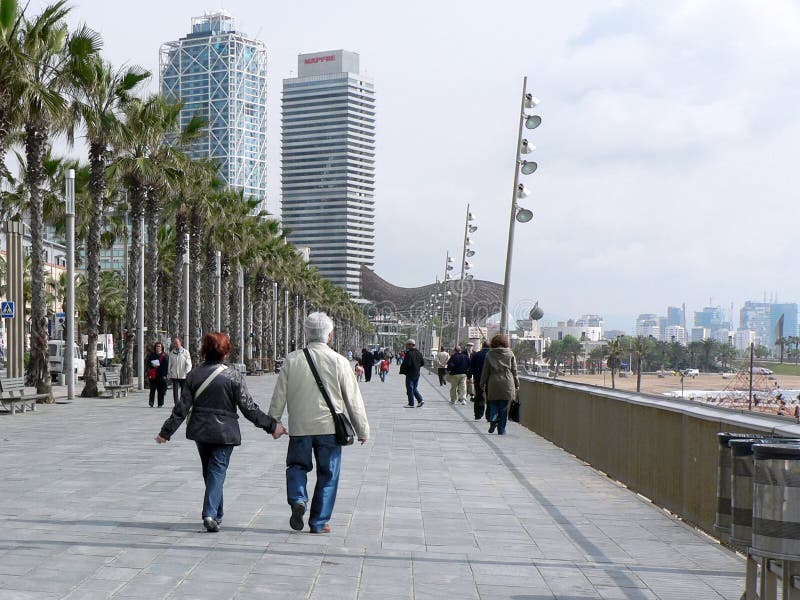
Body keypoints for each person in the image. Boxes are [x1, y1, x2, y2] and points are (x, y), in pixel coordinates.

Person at [155, 332, 285, 532]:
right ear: (226, 351)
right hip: (225, 433)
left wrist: (166, 432)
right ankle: (209, 514)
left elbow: (182, 408)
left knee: (211, 472)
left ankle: (217, 513)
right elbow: (248, 408)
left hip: (201, 431)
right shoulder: (233, 376)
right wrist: (272, 426)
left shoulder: (194, 375)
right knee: (216, 471)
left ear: (204, 351)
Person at [268, 312, 370, 534]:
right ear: (330, 335)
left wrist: (274, 422)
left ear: (306, 333)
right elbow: (353, 398)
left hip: (300, 427)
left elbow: (279, 395)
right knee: (328, 474)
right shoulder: (339, 361)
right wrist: (362, 429)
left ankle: (298, 499)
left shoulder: (292, 360)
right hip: (329, 429)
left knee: (296, 466)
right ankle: (319, 522)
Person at [480, 334, 519, 435]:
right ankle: (501, 429)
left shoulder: (489, 354)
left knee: (493, 403)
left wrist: (482, 383)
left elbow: (485, 370)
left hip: (493, 381)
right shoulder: (510, 354)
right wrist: (517, 383)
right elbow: (514, 370)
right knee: (504, 406)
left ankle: (493, 419)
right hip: (507, 381)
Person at [399, 338, 425, 407]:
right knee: (414, 388)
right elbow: (422, 363)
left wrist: (404, 369)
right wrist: (417, 367)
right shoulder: (419, 353)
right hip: (417, 373)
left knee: (410, 388)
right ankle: (420, 400)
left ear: (410, 345)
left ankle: (411, 403)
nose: (406, 346)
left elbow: (407, 364)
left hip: (410, 373)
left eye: (407, 344)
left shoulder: (409, 353)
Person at [167, 337, 193, 406]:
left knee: (183, 390)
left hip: (183, 374)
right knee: (175, 391)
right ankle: (176, 403)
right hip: (174, 374)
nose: (175, 344)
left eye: (176, 343)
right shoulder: (172, 353)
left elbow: (189, 363)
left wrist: (188, 372)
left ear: (180, 343)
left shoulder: (185, 352)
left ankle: (182, 403)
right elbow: (170, 364)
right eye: (174, 343)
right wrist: (169, 373)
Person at [469, 341, 490, 420]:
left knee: (479, 396)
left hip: (478, 379)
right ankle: (489, 416)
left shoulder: (476, 355)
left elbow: (471, 367)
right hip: (489, 379)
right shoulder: (491, 355)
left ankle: (478, 415)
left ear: (482, 346)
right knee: (489, 397)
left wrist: (469, 376)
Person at [147, 341, 169, 407]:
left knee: (160, 390)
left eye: (159, 346)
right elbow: (148, 363)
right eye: (157, 346)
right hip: (153, 375)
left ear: (162, 347)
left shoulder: (165, 356)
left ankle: (160, 403)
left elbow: (166, 366)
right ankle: (151, 402)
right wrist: (152, 365)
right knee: (152, 390)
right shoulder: (152, 355)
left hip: (161, 375)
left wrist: (165, 375)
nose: (158, 348)